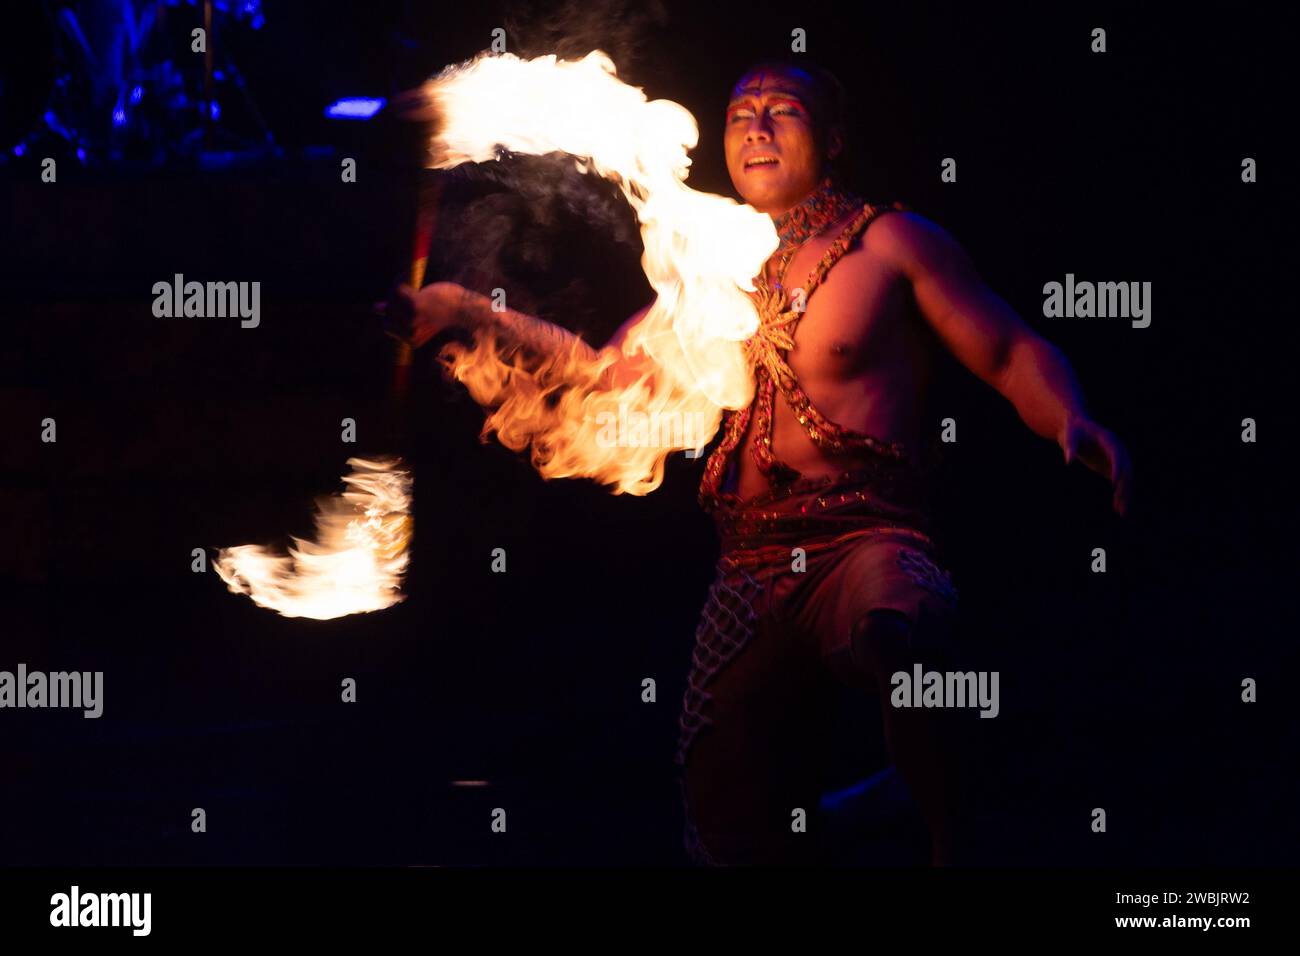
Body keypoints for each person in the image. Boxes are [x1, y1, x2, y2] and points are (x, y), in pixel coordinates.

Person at [385, 58, 1133, 866]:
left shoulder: (889, 242)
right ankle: (857, 814)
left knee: (902, 636)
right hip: (746, 563)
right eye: (743, 113)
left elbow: (1008, 347)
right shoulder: (703, 270)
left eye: (785, 110)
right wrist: (461, 313)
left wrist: (1073, 417)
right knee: (723, 813)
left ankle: (953, 840)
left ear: (834, 137)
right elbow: (599, 381)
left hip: (864, 536)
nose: (758, 127)